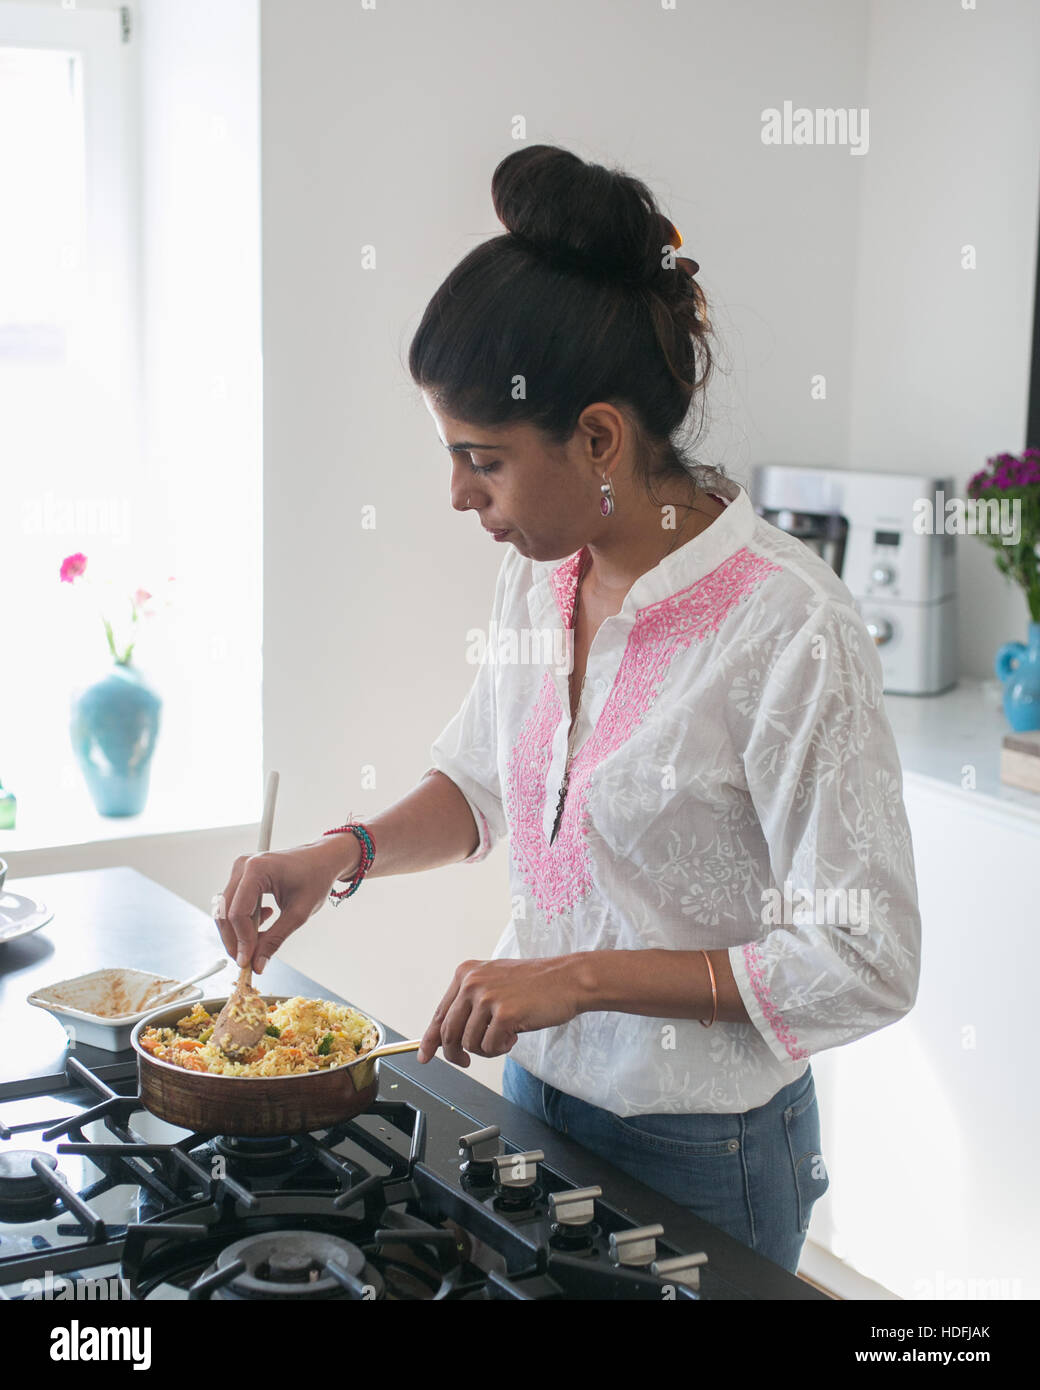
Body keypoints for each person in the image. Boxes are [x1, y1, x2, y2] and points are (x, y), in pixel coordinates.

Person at [214, 144, 921, 1276]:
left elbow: (865, 955)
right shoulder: (544, 566)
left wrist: (577, 976)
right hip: (533, 1099)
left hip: (707, 1150)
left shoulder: (788, 629)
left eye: (480, 461)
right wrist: (337, 852)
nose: (457, 496)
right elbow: (488, 785)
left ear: (596, 438)